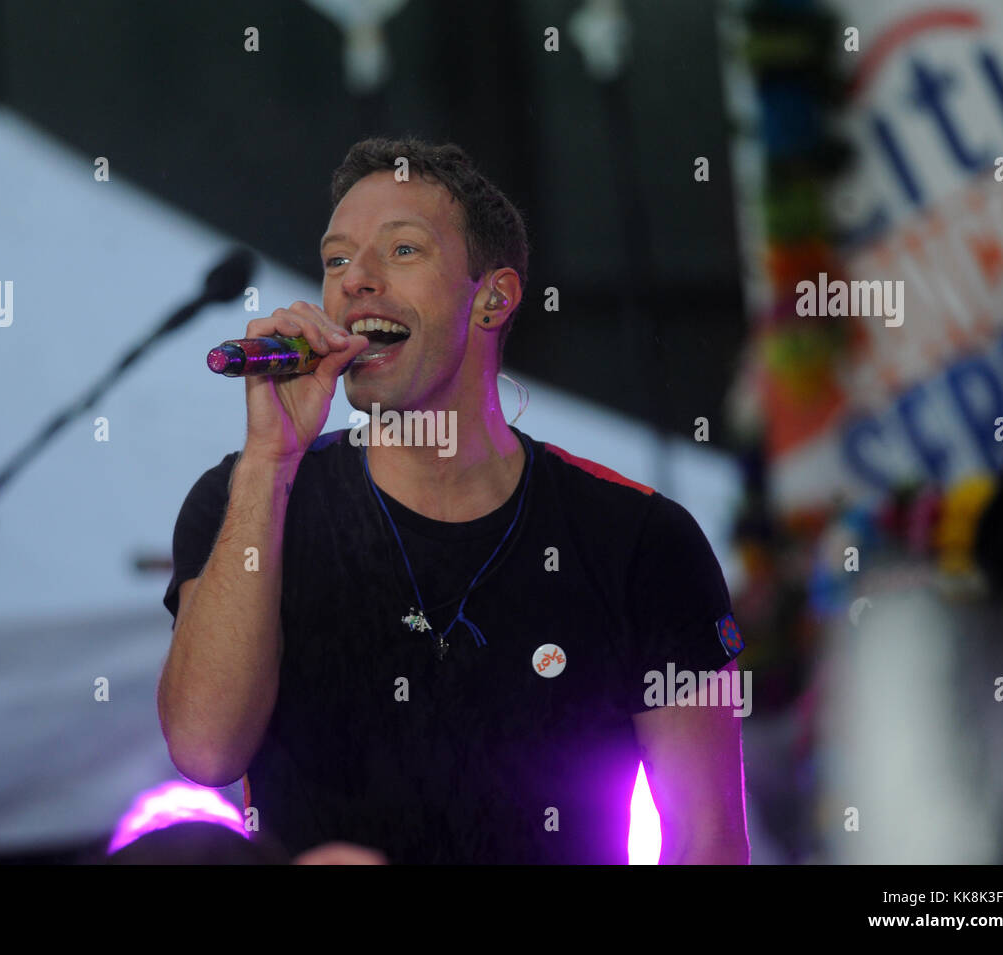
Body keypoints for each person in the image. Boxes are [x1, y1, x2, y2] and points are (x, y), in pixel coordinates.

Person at [158, 136, 749, 864]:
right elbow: (205, 748)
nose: (356, 280)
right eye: (336, 259)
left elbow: (708, 840)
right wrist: (269, 458)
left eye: (401, 251)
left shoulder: (639, 538)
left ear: (493, 297)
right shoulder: (243, 497)